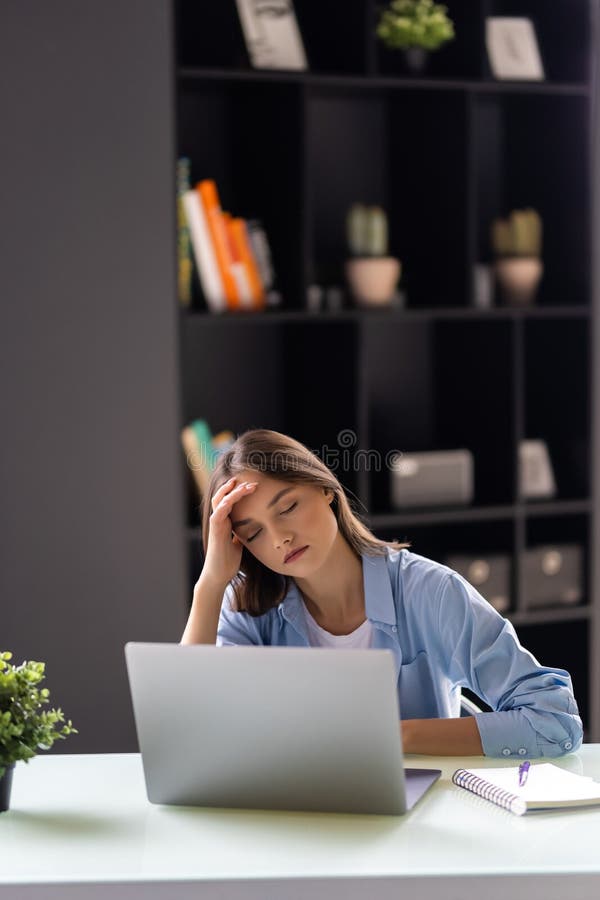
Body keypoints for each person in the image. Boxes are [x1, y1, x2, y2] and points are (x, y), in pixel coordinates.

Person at [181, 429, 583, 758]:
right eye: (254, 533)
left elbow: (554, 721)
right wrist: (210, 585)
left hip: (418, 825)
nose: (280, 538)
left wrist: (396, 738)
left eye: (287, 508)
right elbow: (190, 734)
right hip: (296, 821)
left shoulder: (430, 592)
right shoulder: (248, 604)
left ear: (326, 490)